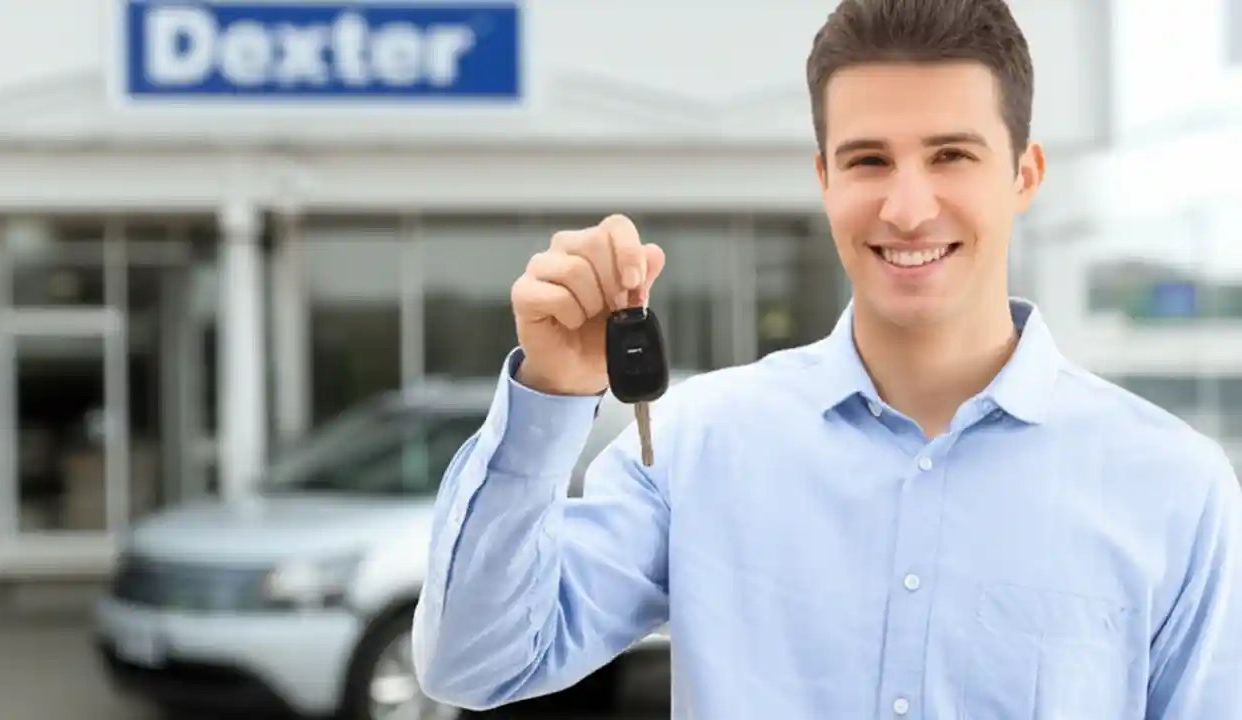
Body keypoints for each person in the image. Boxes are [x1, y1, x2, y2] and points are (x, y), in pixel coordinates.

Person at [412, 0, 1242, 717]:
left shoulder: (1173, 486)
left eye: (951, 155)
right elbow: (480, 664)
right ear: (823, 177)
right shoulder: (698, 445)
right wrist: (553, 391)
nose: (908, 207)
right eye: (868, 159)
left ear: (1024, 174)